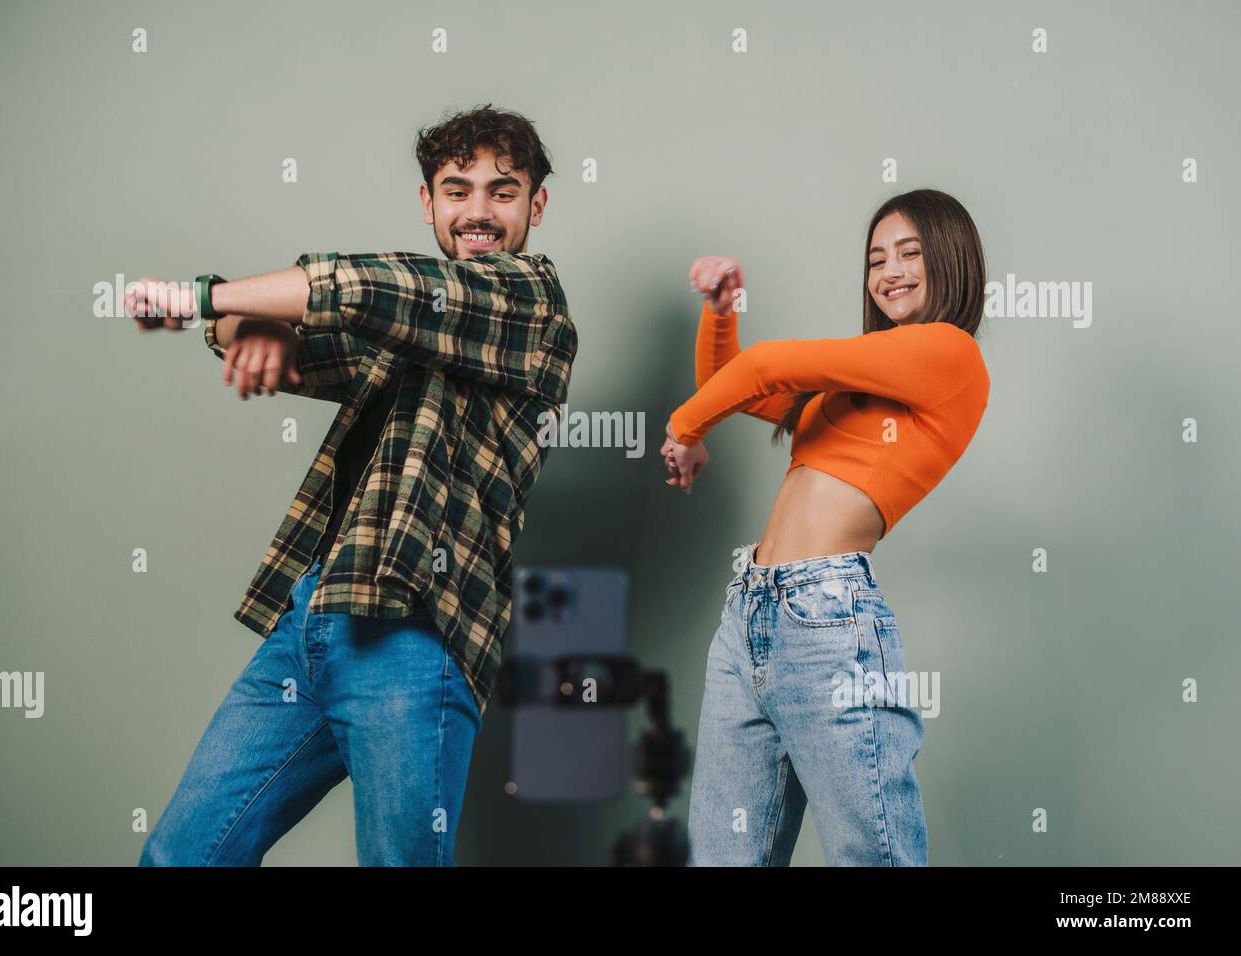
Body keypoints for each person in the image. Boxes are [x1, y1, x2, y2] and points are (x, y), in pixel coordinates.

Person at [128, 105, 577, 866]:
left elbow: (373, 289)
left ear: (536, 205)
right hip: (313, 618)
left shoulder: (532, 307)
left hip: (412, 631)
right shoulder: (407, 333)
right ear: (426, 201)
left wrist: (204, 294)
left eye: (502, 192)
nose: (477, 211)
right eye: (456, 189)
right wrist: (249, 330)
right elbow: (296, 342)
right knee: (181, 856)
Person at [662, 188, 990, 866]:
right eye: (876, 259)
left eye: (909, 253)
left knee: (872, 855)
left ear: (952, 262)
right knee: (723, 856)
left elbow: (767, 366)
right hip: (748, 615)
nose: (889, 271)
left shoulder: (950, 356)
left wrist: (684, 429)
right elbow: (732, 376)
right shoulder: (855, 390)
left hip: (829, 618)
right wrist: (720, 312)